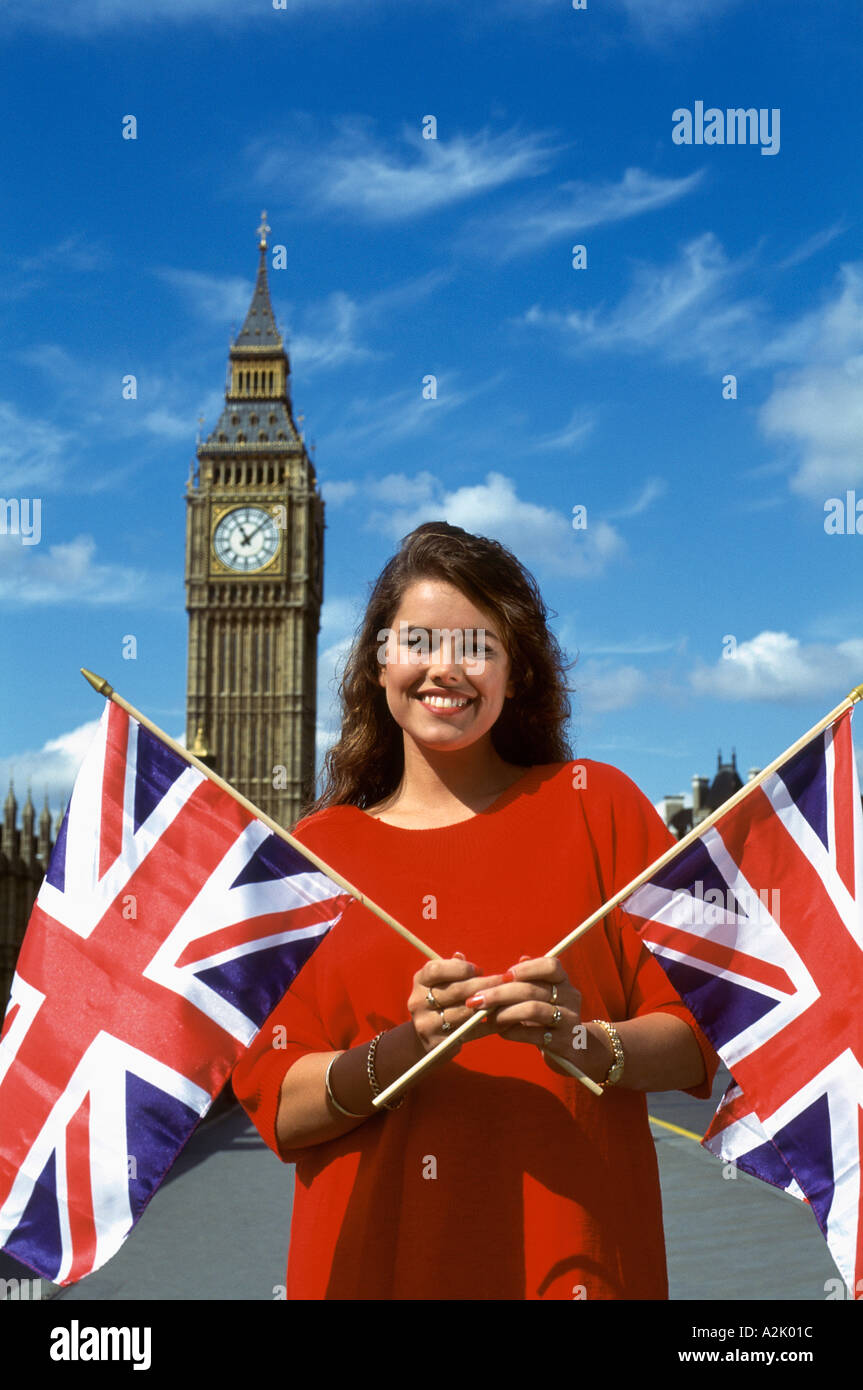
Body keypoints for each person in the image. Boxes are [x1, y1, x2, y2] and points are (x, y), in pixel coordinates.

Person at [232, 521, 718, 1300]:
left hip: (578, 1266)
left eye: (477, 646)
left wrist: (580, 1038)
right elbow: (276, 1106)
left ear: (516, 671)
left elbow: (699, 1040)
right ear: (378, 663)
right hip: (372, 1269)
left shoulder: (598, 809)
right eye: (417, 640)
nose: (444, 669)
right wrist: (402, 1049)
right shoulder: (311, 859)